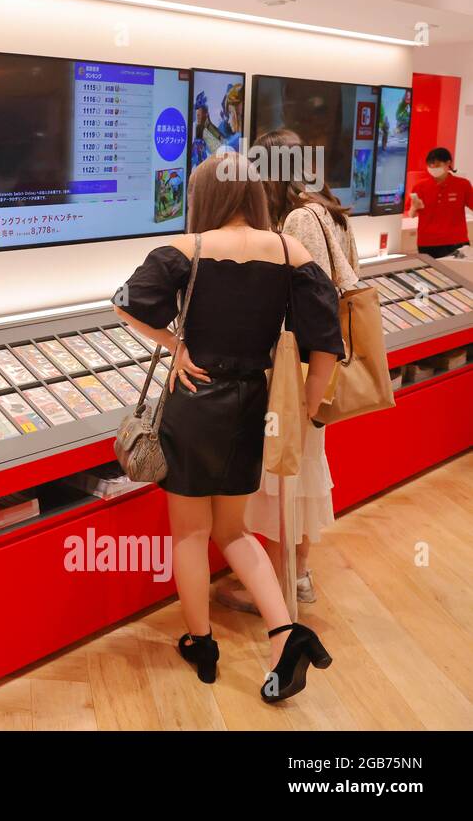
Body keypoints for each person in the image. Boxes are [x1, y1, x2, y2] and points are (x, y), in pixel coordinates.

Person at [112, 151, 343, 702]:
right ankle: (285, 634)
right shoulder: (291, 250)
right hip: (252, 405)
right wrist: (308, 410)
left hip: (193, 401)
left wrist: (175, 346)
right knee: (235, 531)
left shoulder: (185, 250)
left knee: (191, 533)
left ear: (204, 196)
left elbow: (126, 303)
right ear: (256, 194)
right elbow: (326, 342)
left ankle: (202, 643)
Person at [216, 129, 359, 614]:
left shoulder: (297, 221)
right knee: (304, 465)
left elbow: (302, 300)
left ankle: (275, 584)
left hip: (294, 368)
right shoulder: (328, 209)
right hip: (318, 365)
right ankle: (298, 574)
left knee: (281, 472)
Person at [408, 147, 472, 258]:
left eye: (437, 165)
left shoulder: (463, 185)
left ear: (448, 163)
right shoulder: (420, 187)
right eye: (430, 165)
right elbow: (411, 214)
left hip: (456, 241)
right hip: (427, 242)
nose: (433, 168)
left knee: (457, 274)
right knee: (430, 274)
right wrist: (414, 207)